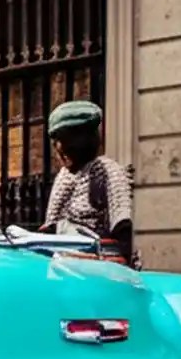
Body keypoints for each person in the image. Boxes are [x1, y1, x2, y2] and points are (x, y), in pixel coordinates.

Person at [39, 100, 142, 270]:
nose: (59, 152)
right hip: (63, 267)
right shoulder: (63, 177)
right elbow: (50, 229)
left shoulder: (107, 171)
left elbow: (122, 226)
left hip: (98, 268)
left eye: (66, 145)